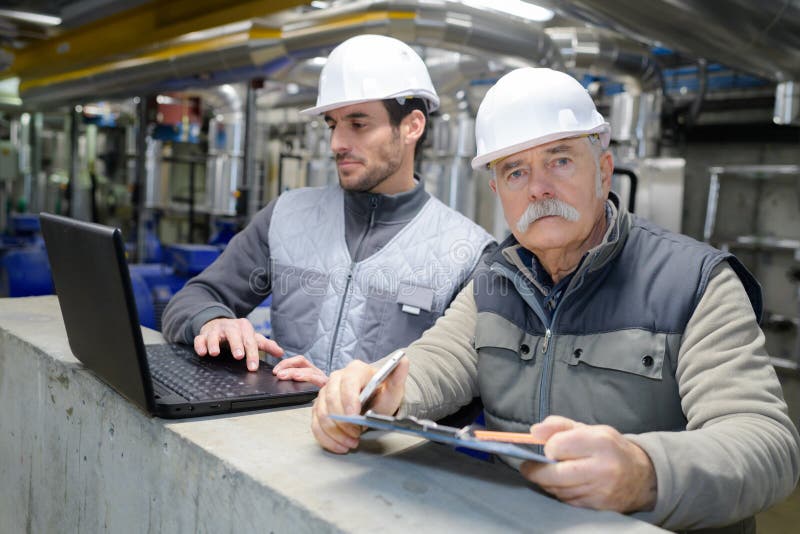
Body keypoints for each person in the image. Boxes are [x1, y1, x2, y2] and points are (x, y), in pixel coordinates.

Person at [310, 67, 800, 532]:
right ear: (497, 188)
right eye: (516, 171)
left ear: (604, 170)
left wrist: (644, 472)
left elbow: (765, 442)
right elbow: (442, 357)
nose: (540, 188)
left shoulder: (694, 284)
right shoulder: (496, 278)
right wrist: (382, 387)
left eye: (560, 159)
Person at [161, 34, 495, 386]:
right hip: (270, 433)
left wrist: (362, 397)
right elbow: (192, 299)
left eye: (358, 124)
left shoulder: (466, 253)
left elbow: (462, 383)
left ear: (412, 126)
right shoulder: (287, 216)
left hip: (385, 440)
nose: (337, 144)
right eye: (333, 125)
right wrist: (213, 321)